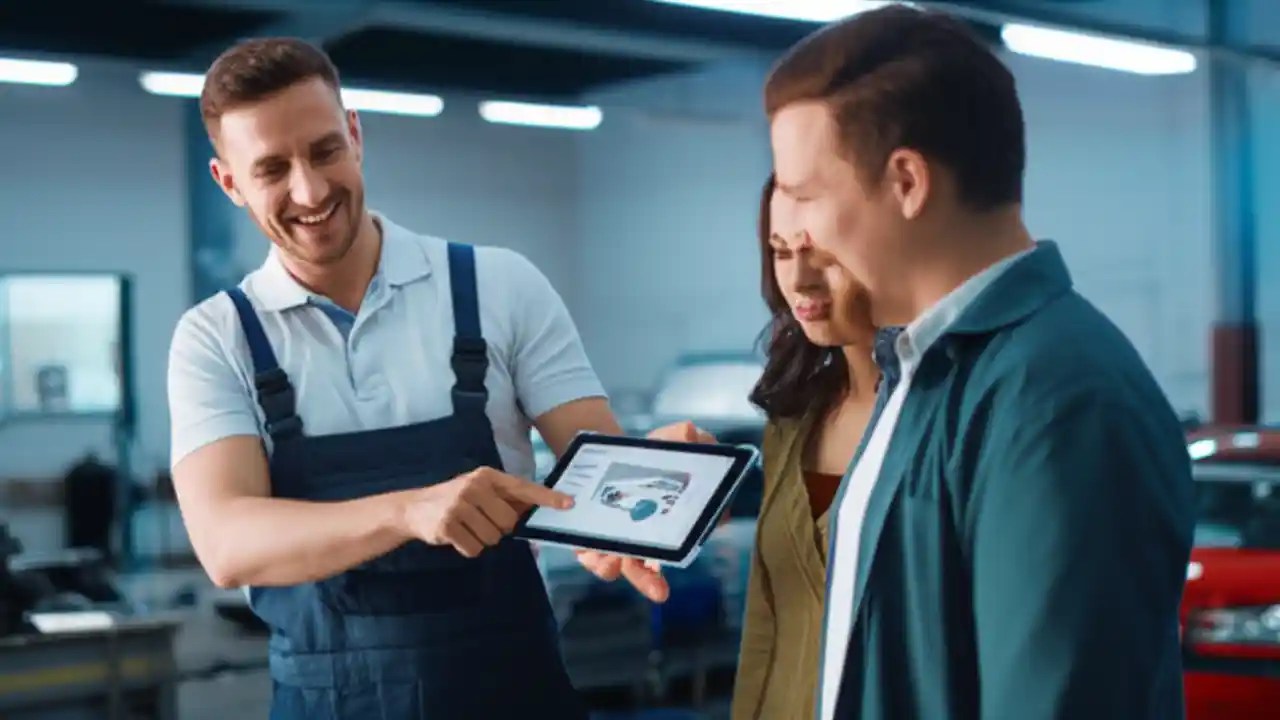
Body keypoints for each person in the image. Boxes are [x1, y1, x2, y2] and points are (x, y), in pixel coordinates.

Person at [165, 37, 691, 719]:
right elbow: (228, 544)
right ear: (228, 182)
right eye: (272, 169)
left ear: (356, 134)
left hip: (512, 695)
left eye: (326, 150)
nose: (311, 190)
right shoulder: (217, 338)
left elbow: (601, 467)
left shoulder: (499, 286)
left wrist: (669, 478)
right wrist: (409, 511)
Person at [764, 6, 1195, 720]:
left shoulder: (1060, 398)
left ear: (907, 182)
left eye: (806, 195)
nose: (796, 232)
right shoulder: (920, 371)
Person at [728, 174, 882, 720]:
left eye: (821, 253)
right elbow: (765, 625)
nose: (801, 279)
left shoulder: (935, 419)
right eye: (781, 252)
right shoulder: (792, 421)